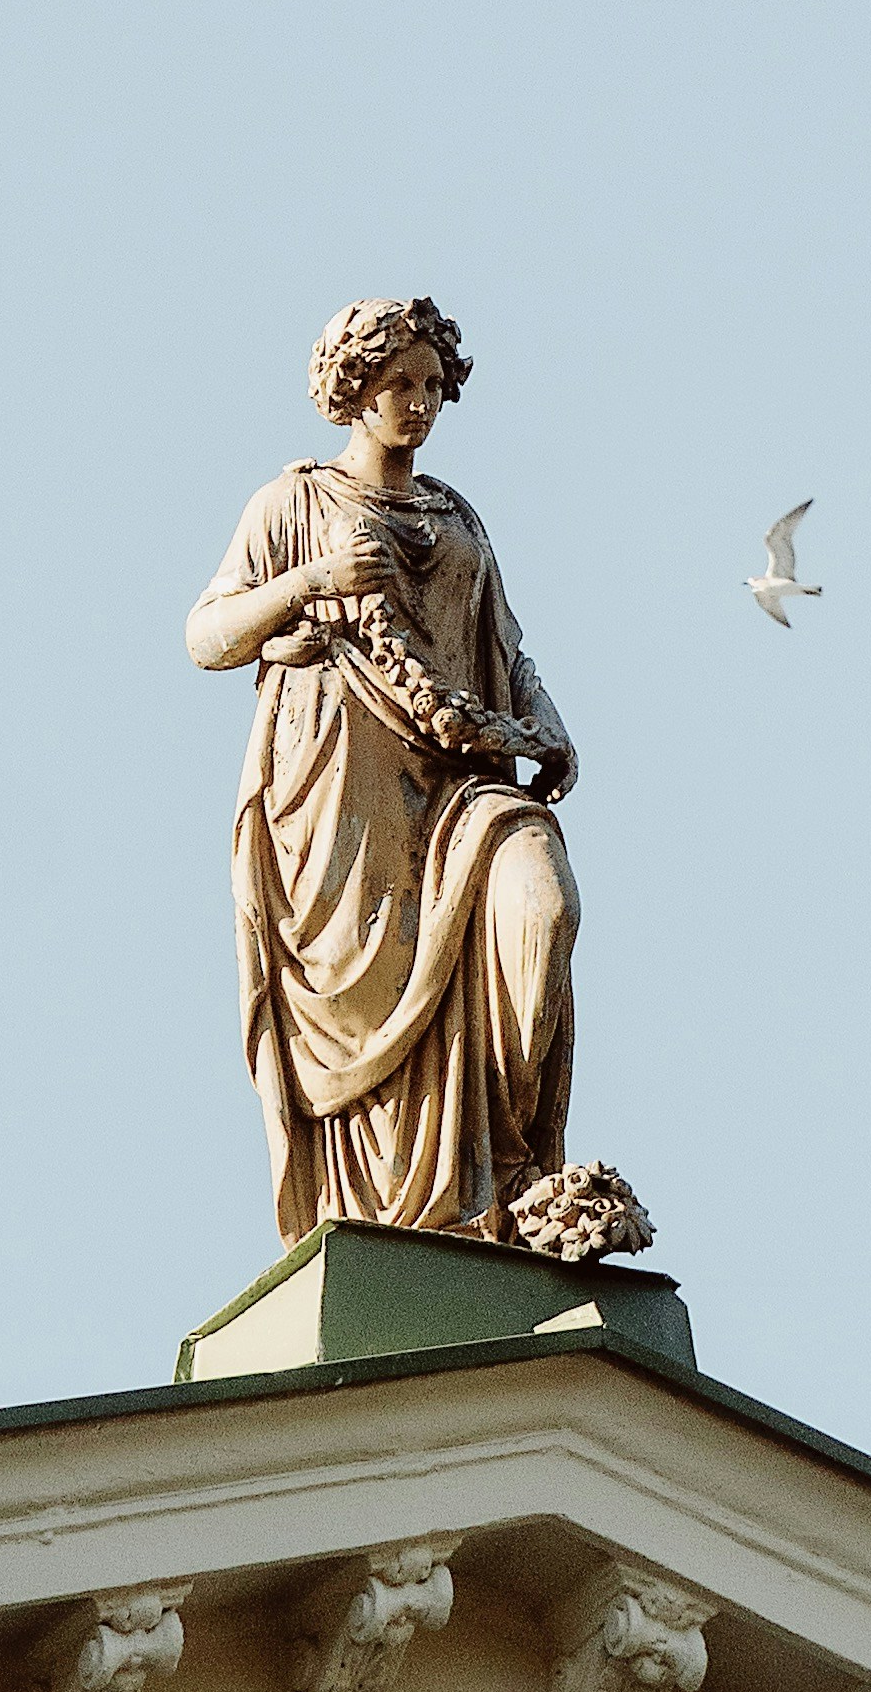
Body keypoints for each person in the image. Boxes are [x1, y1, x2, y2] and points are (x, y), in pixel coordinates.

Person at [187, 293, 582, 1242]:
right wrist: (312, 583)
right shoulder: (293, 502)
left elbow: (506, 649)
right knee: (366, 990)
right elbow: (207, 636)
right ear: (354, 389)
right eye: (399, 383)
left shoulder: (457, 517)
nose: (418, 403)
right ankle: (403, 1216)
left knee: (543, 913)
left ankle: (508, 1162)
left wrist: (548, 723)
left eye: (434, 385)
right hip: (334, 775)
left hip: (465, 779)